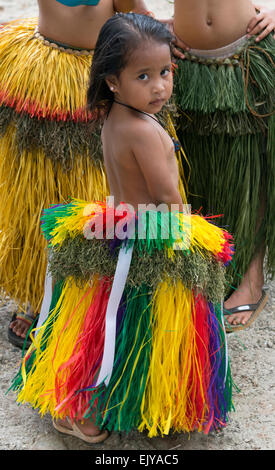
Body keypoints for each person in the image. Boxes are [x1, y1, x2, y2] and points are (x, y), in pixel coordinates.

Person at [11, 13, 235, 442]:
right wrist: (189, 237)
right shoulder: (145, 132)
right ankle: (86, 411)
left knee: (114, 320)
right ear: (113, 80)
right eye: (144, 76)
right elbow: (168, 197)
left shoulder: (113, 116)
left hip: (120, 224)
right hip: (150, 233)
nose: (160, 86)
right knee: (137, 321)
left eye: (166, 72)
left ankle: (107, 400)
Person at [0, 0, 150, 349]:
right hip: (42, 76)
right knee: (35, 196)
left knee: (92, 198)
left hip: (92, 84)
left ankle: (85, 296)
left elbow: (136, 18)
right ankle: (36, 292)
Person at [169, 0, 275, 332]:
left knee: (252, 171)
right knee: (194, 169)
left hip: (246, 49)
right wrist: (145, 19)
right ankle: (205, 268)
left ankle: (251, 278)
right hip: (185, 60)